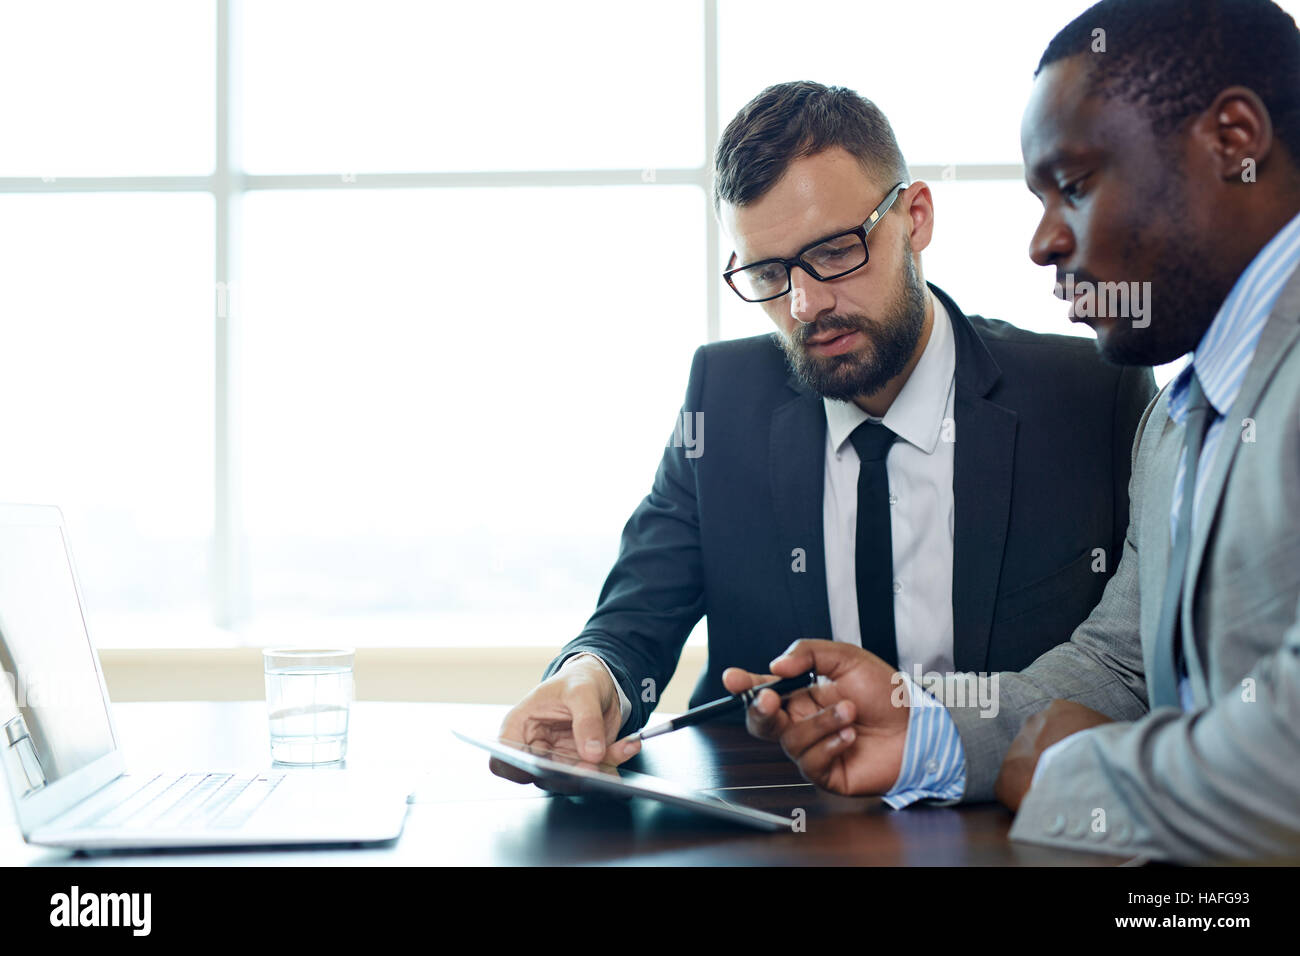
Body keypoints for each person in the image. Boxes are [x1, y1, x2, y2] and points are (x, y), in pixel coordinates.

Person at [727, 0, 1300, 863]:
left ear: (1233, 139)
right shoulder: (1176, 422)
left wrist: (1070, 776)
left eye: (1075, 185)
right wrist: (922, 735)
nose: (1042, 241)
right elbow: (1120, 671)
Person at [490, 80, 1155, 797]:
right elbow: (636, 619)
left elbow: (1132, 663)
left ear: (916, 217)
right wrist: (589, 680)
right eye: (769, 274)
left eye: (835, 253)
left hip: (1006, 820)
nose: (805, 306)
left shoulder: (1092, 395)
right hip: (773, 821)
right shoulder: (724, 396)